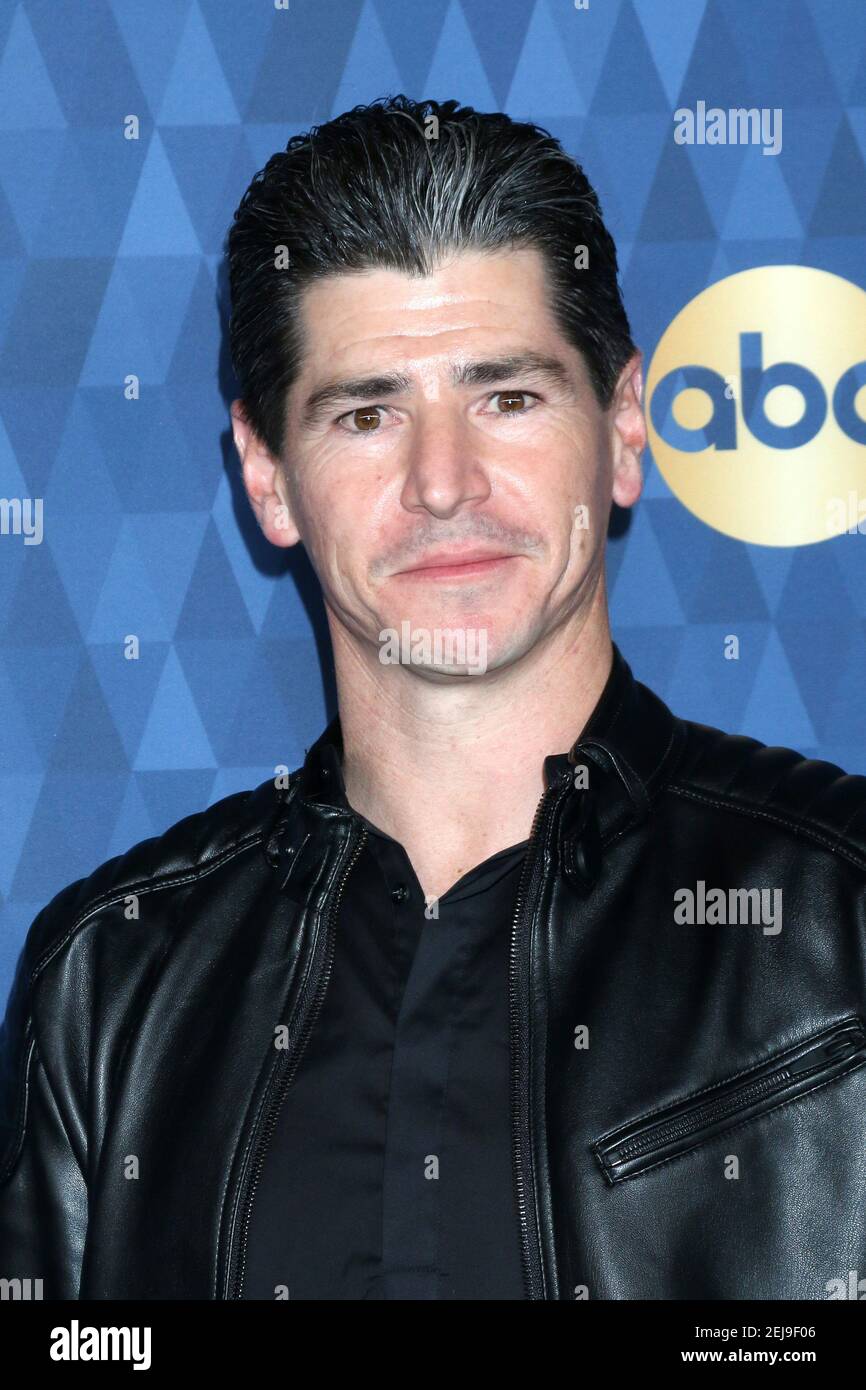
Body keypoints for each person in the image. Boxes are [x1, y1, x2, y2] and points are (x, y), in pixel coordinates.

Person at [1, 95, 864, 1301]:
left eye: (505, 397)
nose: (442, 482)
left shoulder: (841, 914)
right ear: (267, 476)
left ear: (621, 427)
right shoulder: (111, 979)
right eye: (366, 413)